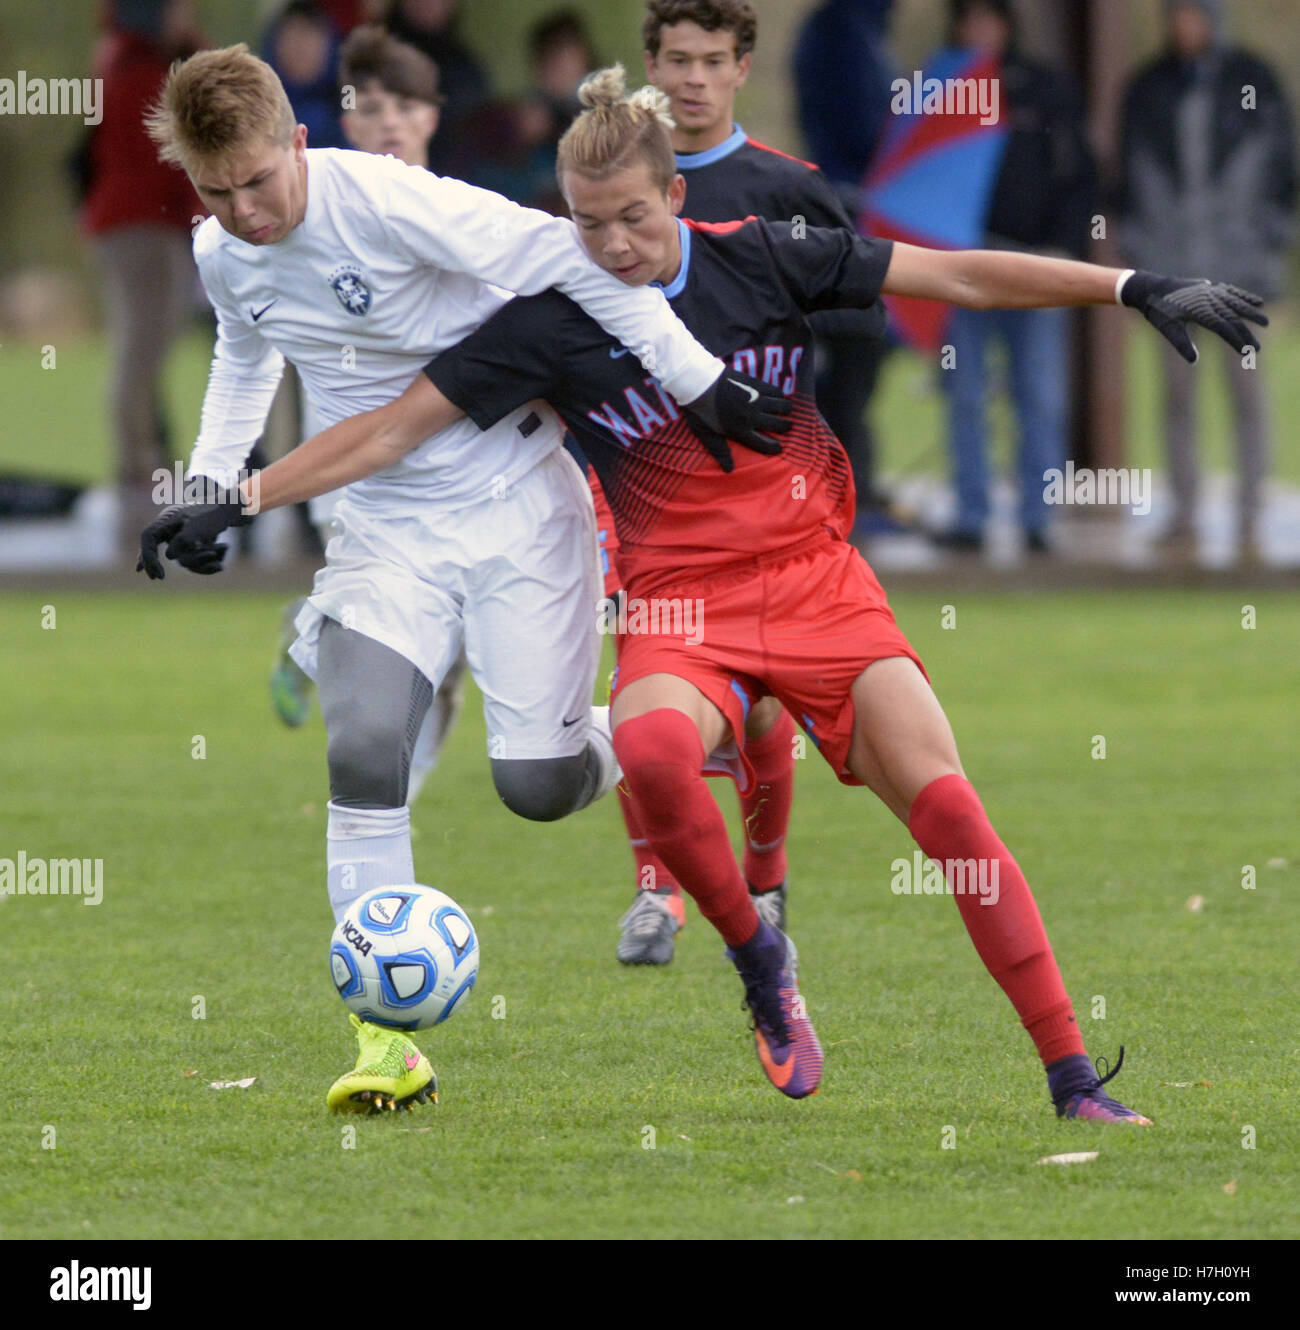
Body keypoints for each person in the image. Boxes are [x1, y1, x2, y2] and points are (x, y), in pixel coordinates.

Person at [150, 66, 1264, 1115]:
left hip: (819, 584)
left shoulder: (768, 254)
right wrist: (230, 496)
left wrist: (1128, 283)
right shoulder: (547, 319)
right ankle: (756, 960)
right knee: (633, 756)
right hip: (679, 609)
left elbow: (959, 271)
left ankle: (1073, 1078)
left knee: (952, 813)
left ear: (675, 192)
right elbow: (390, 426)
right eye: (586, 226)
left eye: (633, 218)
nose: (609, 246)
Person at [136, 44, 787, 1114]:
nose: (245, 210)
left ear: (298, 142)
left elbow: (568, 259)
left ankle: (711, 718)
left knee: (535, 786)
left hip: (515, 506)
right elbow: (243, 354)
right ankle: (384, 1046)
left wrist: (695, 380)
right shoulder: (223, 251)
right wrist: (211, 483)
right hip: (381, 530)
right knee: (362, 743)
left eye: (260, 181)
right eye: (217, 191)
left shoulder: (387, 200)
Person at [600, 0, 891, 966]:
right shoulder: (606, 186)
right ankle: (655, 890)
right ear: (649, 62)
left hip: (765, 495)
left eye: (711, 61)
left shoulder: (786, 189)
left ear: (740, 70)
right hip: (639, 484)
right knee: (639, 687)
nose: (690, 78)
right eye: (675, 59)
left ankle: (765, 880)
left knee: (762, 709)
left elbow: (858, 318)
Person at [269, 24, 464, 813]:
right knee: (398, 643)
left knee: (443, 657)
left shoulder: (461, 217)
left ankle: (392, 801)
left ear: (433, 116)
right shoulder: (314, 217)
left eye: (406, 105)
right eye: (372, 106)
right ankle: (311, 639)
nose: (389, 122)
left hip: (448, 464)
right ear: (346, 121)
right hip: (349, 462)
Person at [1117, 0, 1296, 563]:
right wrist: (1140, 254)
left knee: (1247, 395)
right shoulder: (1146, 87)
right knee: (1177, 396)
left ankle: (1249, 515)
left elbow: (1285, 173)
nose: (1183, 26)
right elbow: (1125, 181)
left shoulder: (1254, 80)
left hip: (1241, 274)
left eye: (1193, 14)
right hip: (1173, 276)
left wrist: (1269, 242)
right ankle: (1185, 513)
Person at [930, 0, 1098, 556]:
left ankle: (1036, 517)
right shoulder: (938, 89)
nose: (979, 31)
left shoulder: (1045, 89)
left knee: (1039, 395)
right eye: (969, 21)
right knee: (965, 393)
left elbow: (1082, 177)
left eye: (989, 20)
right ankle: (972, 514)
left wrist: (1064, 249)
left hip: (1033, 266)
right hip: (962, 268)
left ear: (1007, 26)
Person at [80, 0, 205, 558]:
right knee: (142, 347)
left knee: (137, 346)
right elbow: (173, 153)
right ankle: (138, 464)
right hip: (143, 225)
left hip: (121, 221)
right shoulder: (146, 72)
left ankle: (138, 459)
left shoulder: (113, 59)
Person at [792, 0, 903, 531]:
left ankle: (848, 492)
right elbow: (862, 127)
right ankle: (843, 497)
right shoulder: (844, 33)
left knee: (850, 373)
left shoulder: (852, 30)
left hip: (853, 221)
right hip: (849, 226)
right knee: (853, 361)